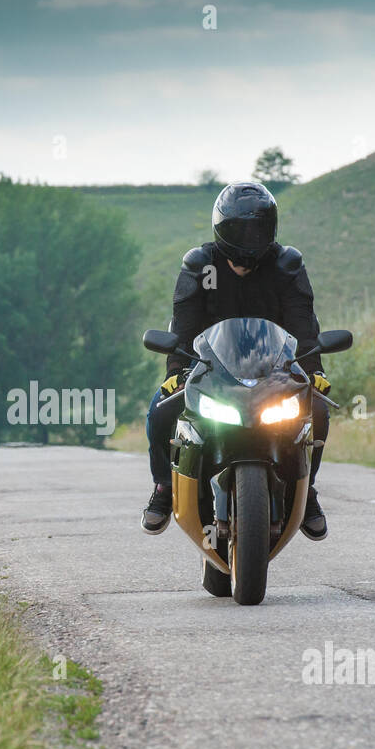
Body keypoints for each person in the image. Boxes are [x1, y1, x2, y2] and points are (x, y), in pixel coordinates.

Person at [142, 181, 331, 538]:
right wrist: (176, 371)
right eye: (239, 228)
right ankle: (164, 489)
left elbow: (302, 322)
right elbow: (182, 325)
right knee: (160, 410)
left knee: (318, 411)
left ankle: (307, 493)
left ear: (270, 228)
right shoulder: (199, 264)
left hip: (276, 371)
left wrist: (313, 369)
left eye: (256, 228)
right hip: (210, 370)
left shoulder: (287, 265)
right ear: (221, 227)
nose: (248, 237)